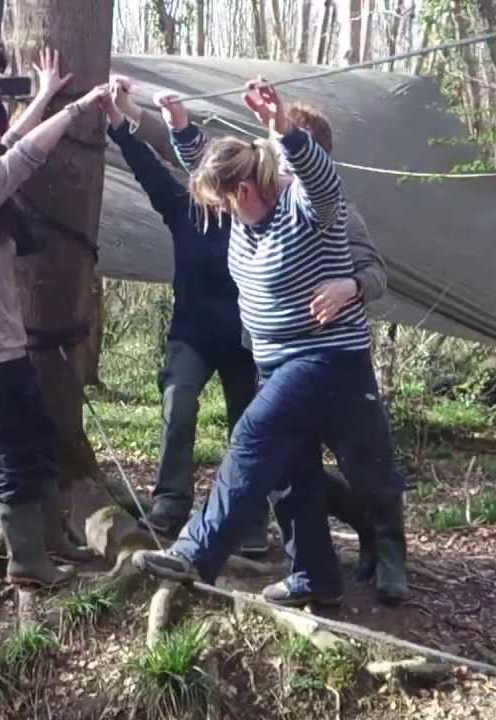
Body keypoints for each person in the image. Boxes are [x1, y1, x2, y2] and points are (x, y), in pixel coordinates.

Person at [133, 80, 403, 608]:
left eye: (231, 202)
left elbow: (324, 186)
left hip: (326, 358)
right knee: (288, 471)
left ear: (251, 190)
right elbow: (209, 166)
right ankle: (315, 578)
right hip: (275, 361)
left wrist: (284, 130)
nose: (225, 213)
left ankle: (194, 554)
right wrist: (178, 124)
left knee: (257, 432)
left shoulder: (309, 211)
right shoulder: (241, 213)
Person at [97, 79, 268, 558]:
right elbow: (148, 167)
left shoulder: (255, 214)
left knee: (249, 426)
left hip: (246, 339)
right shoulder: (182, 210)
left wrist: (180, 124)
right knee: (179, 404)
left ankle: (249, 519)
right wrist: (118, 121)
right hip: (191, 335)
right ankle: (171, 503)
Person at [0, 48, 108, 587]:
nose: (0, 132)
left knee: (38, 438)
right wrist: (78, 110)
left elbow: (9, 146)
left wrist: (47, 94)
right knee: (12, 456)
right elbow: (22, 155)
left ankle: (52, 539)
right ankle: (26, 560)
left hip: (7, 347)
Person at [277, 102, 408, 603]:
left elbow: (378, 275)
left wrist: (348, 287)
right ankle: (335, 546)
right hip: (284, 365)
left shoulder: (339, 213)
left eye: (293, 149)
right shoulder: (261, 209)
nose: (282, 160)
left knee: (369, 464)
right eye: (277, 147)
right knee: (289, 466)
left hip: (340, 365)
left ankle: (389, 551)